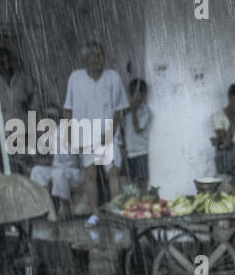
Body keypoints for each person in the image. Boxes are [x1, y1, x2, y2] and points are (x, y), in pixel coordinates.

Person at [63, 40, 128, 212]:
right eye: (94, 56)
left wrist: (109, 133)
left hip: (108, 134)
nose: (99, 59)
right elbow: (68, 108)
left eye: (101, 55)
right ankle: (95, 213)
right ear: (86, 60)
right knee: (89, 175)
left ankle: (116, 213)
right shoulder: (75, 78)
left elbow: (119, 110)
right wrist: (70, 134)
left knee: (112, 174)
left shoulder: (113, 77)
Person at [29, 102, 85, 220]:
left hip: (75, 173)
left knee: (58, 174)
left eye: (52, 117)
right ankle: (45, 208)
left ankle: (64, 208)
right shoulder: (51, 134)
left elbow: (82, 160)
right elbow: (50, 157)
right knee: (36, 171)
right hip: (58, 171)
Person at [0, 47, 34, 174]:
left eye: (7, 61)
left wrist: (29, 105)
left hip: (19, 126)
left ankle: (19, 191)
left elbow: (35, 96)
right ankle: (0, 192)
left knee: (20, 162)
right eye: (1, 62)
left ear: (11, 61)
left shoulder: (23, 78)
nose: (5, 65)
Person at [117, 78, 152, 191]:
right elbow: (121, 128)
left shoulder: (145, 111)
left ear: (144, 95)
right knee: (128, 181)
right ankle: (133, 204)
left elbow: (137, 129)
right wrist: (122, 146)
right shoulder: (126, 112)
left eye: (139, 94)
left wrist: (133, 110)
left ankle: (143, 203)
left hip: (141, 152)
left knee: (142, 181)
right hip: (128, 153)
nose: (136, 97)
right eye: (133, 94)